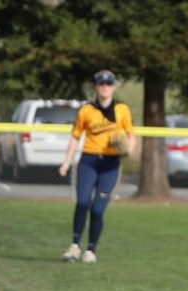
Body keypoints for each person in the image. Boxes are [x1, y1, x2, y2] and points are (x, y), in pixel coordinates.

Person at [57, 71, 137, 264]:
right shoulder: (86, 110)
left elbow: (130, 134)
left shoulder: (122, 109)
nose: (105, 87)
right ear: (96, 87)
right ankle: (75, 246)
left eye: (108, 84)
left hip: (109, 165)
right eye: (101, 84)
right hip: (89, 161)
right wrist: (66, 162)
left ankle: (91, 250)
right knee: (82, 202)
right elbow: (75, 137)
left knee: (98, 210)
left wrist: (128, 150)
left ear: (114, 87)